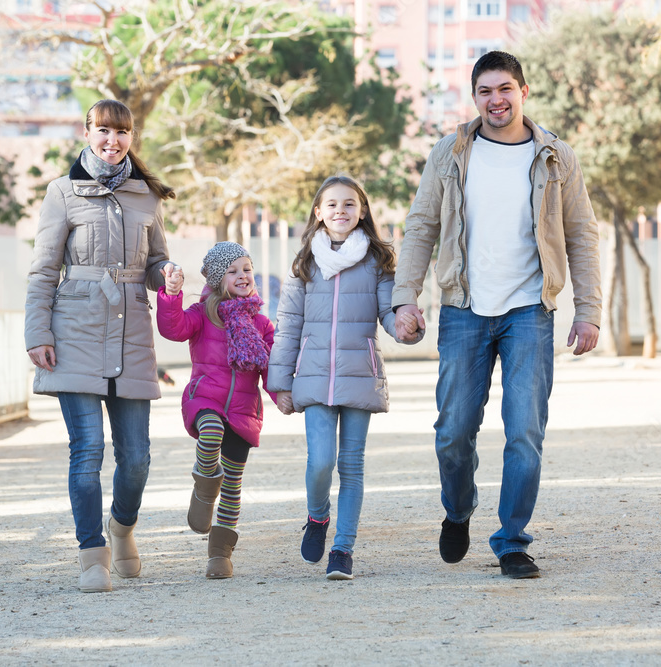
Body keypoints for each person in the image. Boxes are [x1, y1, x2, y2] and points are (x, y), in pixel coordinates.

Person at [393, 51, 602, 579]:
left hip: (530, 309)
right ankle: (458, 509)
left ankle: (512, 540)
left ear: (523, 91)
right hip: (464, 307)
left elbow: (581, 234)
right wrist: (404, 298)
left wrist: (588, 309)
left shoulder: (556, 157)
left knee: (524, 431)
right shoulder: (450, 153)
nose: (496, 99)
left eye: (505, 88)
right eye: (485, 91)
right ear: (475, 97)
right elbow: (420, 227)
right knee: (453, 430)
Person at [24, 99, 176, 593]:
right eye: (104, 130)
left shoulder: (146, 196)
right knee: (87, 449)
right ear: (87, 131)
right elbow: (45, 268)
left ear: (132, 136)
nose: (113, 140)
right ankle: (93, 554)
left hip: (131, 334)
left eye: (122, 132)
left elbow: (156, 264)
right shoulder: (62, 192)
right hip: (75, 331)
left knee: (136, 458)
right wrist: (37, 333)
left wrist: (167, 276)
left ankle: (122, 529)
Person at [268, 175, 420, 581]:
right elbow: (287, 326)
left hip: (358, 375)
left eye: (349, 204)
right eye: (332, 204)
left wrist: (406, 324)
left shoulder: (377, 261)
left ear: (363, 211)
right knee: (321, 462)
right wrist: (280, 381)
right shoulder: (304, 263)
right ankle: (318, 517)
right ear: (318, 212)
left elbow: (389, 314)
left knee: (352, 466)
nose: (341, 211)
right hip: (314, 378)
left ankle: (343, 550)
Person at [156, 241, 276, 579]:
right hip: (205, 398)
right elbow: (173, 328)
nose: (242, 276)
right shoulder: (203, 313)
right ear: (217, 279)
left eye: (247, 269)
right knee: (211, 433)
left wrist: (283, 395)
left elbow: (272, 369)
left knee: (234, 482)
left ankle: (220, 554)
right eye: (232, 271)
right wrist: (170, 294)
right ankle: (206, 485)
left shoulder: (262, 324)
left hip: (243, 411)